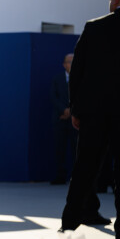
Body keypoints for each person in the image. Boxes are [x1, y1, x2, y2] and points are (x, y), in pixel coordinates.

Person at [60, 0, 120, 239]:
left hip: (93, 114)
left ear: (115, 0)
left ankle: (69, 223)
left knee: (84, 167)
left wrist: (76, 108)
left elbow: (77, 72)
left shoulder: (94, 27)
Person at [50, 54, 77, 185]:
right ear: (63, 64)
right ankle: (60, 176)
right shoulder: (57, 79)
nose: (71, 65)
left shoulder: (81, 79)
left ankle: (76, 176)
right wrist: (64, 110)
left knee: (75, 149)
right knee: (59, 149)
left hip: (76, 120)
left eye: (73, 62)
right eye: (68, 62)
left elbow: (82, 96)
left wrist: (72, 111)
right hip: (60, 119)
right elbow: (53, 97)